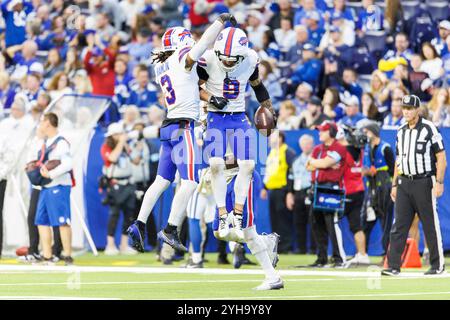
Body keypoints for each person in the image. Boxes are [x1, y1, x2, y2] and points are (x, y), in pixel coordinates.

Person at [128, 14, 237, 253]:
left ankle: (139, 222)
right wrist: (220, 22)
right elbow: (203, 43)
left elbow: (190, 87)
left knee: (161, 181)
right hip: (183, 127)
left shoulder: (161, 65)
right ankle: (170, 228)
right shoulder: (181, 58)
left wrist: (210, 98)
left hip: (167, 127)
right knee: (190, 181)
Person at [197, 26, 276, 240]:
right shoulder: (209, 59)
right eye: (224, 57)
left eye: (233, 59)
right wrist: (211, 99)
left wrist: (268, 108)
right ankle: (223, 214)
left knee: (249, 165)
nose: (228, 62)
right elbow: (194, 86)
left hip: (238, 115)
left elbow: (257, 86)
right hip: (215, 116)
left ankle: (238, 215)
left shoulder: (250, 60)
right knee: (215, 165)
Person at [382, 94, 447, 276]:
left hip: (423, 181)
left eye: (410, 108)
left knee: (429, 225)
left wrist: (439, 182)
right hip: (404, 182)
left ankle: (437, 265)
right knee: (399, 226)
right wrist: (395, 184)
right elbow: (398, 160)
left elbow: (441, 157)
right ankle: (393, 266)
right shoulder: (401, 130)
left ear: (418, 110)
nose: (406, 111)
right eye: (404, 108)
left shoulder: (429, 128)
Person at [213, 159, 283, 290]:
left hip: (242, 177)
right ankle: (267, 241)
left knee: (247, 231)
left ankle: (273, 277)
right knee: (218, 231)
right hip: (225, 178)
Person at [34, 112, 74, 265]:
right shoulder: (44, 141)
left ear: (49, 123)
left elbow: (68, 163)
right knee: (41, 221)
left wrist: (51, 174)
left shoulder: (61, 142)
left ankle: (68, 255)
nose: (40, 124)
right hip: (46, 185)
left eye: (42, 121)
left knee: (62, 221)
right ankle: (47, 256)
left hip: (59, 184)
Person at [306, 120, 347, 267]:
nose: (320, 133)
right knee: (316, 223)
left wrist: (319, 163)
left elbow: (320, 164)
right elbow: (308, 166)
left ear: (331, 133)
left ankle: (338, 258)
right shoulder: (318, 148)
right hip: (318, 187)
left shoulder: (339, 148)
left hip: (332, 188)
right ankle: (321, 258)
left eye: (323, 131)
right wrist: (324, 163)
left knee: (331, 224)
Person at [101, 122, 139, 255]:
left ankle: (124, 245)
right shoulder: (106, 147)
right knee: (114, 215)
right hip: (115, 185)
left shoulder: (124, 147)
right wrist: (120, 143)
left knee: (129, 215)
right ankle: (110, 245)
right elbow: (112, 158)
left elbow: (136, 160)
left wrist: (128, 145)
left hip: (128, 183)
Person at [361, 121, 395, 255]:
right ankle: (362, 253)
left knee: (385, 223)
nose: (365, 135)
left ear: (374, 132)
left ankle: (388, 255)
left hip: (384, 190)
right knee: (365, 222)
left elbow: (393, 170)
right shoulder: (367, 149)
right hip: (372, 191)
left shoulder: (385, 148)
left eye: (367, 132)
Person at [339, 126, 370, 267]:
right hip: (360, 191)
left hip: (348, 192)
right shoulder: (361, 151)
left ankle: (338, 255)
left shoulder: (345, 152)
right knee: (356, 226)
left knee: (332, 222)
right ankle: (362, 254)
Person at [261, 131, 296, 253]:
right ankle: (278, 247)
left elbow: (293, 172)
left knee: (283, 220)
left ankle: (287, 247)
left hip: (283, 190)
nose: (270, 140)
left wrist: (290, 192)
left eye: (273, 138)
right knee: (275, 219)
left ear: (280, 138)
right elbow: (269, 172)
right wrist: (265, 187)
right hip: (273, 190)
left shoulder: (287, 152)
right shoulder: (272, 153)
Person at [286, 134, 316, 254]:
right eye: (303, 144)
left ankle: (314, 249)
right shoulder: (296, 161)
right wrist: (290, 194)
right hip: (298, 192)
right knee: (298, 221)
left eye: (307, 144)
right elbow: (291, 178)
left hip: (310, 191)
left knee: (313, 221)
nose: (305, 146)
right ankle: (301, 248)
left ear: (312, 145)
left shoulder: (316, 159)